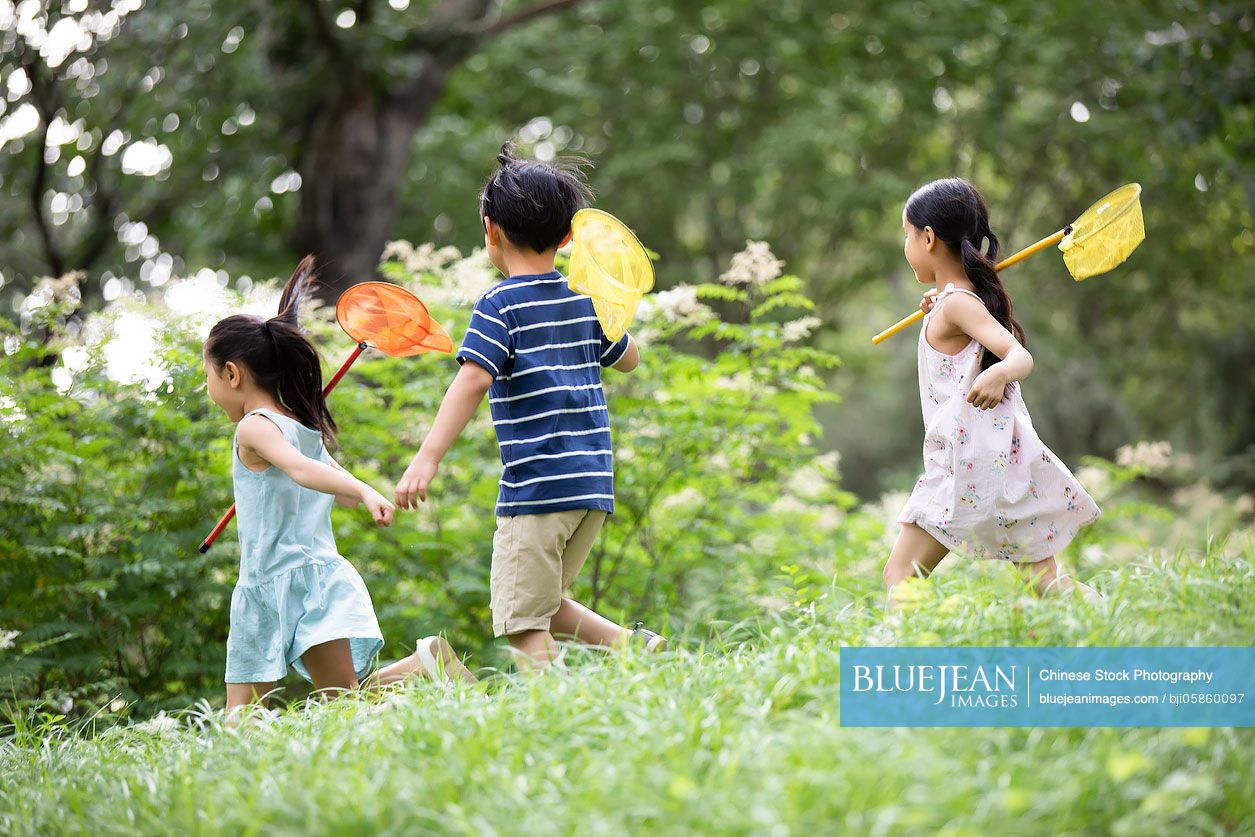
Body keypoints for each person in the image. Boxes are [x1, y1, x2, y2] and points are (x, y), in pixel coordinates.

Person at [395, 143, 667, 669]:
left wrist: (426, 457)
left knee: (523, 623)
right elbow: (629, 358)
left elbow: (473, 379)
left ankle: (551, 719)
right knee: (545, 603)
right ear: (567, 237)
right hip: (591, 487)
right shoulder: (584, 300)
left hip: (539, 489)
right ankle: (639, 650)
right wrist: (612, 302)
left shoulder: (500, 304)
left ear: (489, 228)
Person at [204, 256, 476, 716]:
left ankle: (423, 669)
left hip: (301, 582)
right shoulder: (299, 426)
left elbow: (306, 472)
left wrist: (368, 493)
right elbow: (338, 485)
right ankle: (424, 665)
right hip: (273, 585)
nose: (208, 386)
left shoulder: (254, 428)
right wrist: (361, 490)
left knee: (313, 708)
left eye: (208, 375)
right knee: (321, 704)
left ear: (232, 374)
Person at [883, 178, 1103, 609]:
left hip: (962, 467)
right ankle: (1105, 623)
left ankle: (905, 660)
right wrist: (940, 309)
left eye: (907, 235)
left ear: (928, 238)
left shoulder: (958, 305)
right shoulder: (953, 304)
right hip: (993, 463)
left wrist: (998, 374)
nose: (906, 245)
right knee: (1044, 582)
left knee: (901, 576)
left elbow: (1019, 357)